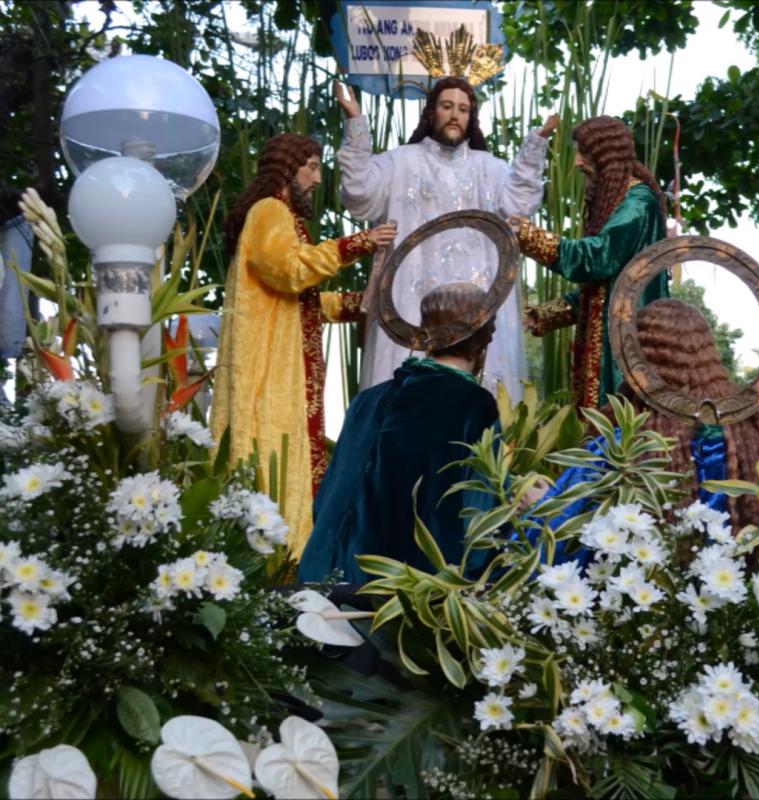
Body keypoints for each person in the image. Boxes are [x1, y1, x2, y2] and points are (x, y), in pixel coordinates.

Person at [210, 133, 397, 556]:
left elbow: (302, 301)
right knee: (274, 470)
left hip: (286, 374)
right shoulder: (270, 210)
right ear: (285, 168)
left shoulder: (280, 219)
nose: (317, 178)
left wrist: (355, 305)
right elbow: (290, 270)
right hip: (272, 379)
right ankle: (279, 569)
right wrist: (358, 244)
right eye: (310, 166)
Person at [335, 77, 557, 398]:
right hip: (412, 301)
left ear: (471, 118)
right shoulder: (401, 161)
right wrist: (355, 121)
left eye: (463, 109)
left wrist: (535, 145)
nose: (455, 115)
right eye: (447, 106)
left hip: (476, 300)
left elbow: (518, 203)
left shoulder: (489, 168)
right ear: (431, 113)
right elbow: (360, 193)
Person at [298, 282, 501, 585]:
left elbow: (331, 494)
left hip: (328, 577)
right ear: (482, 339)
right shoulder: (473, 403)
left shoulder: (369, 398)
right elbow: (478, 508)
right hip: (409, 593)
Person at [538, 299, 759, 531]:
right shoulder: (754, 435)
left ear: (638, 362)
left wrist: (537, 503)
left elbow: (559, 528)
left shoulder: (625, 444)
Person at [511, 115, 669, 410]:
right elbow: (600, 289)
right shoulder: (619, 201)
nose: (577, 163)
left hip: (624, 356)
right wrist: (544, 315)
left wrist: (531, 238)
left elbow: (597, 258)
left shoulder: (637, 202)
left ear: (605, 154)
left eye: (584, 153)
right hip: (607, 351)